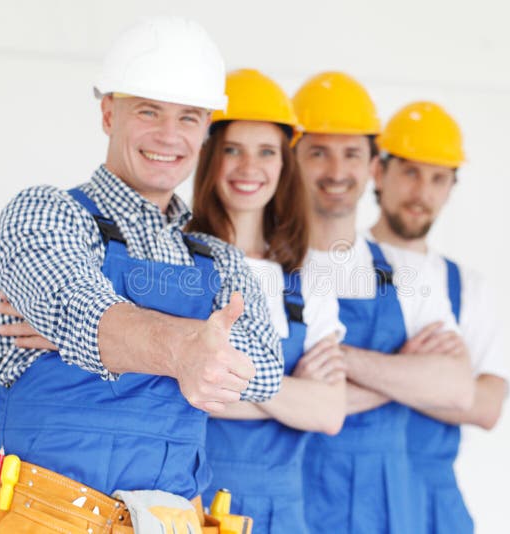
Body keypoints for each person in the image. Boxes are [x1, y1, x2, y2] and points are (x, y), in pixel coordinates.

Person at [0, 17, 283, 533]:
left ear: (206, 128)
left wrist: (102, 338)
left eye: (189, 117)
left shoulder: (218, 258)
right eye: (148, 111)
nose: (169, 135)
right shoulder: (45, 214)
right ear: (107, 113)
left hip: (173, 522)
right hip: (53, 519)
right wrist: (189, 346)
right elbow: (77, 307)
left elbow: (264, 370)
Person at [292, 72, 475, 533]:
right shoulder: (268, 267)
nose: (336, 171)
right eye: (318, 152)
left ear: (373, 166)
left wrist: (336, 361)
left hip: (392, 510)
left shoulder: (406, 272)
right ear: (291, 160)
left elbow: (456, 388)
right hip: (297, 499)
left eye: (351, 153)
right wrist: (401, 372)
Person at [186, 68, 347, 533]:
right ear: (209, 157)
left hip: (283, 513)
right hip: (191, 505)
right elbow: (167, 388)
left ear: (284, 163)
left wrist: (220, 383)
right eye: (232, 150)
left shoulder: (307, 280)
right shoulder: (175, 261)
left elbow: (329, 412)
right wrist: (291, 391)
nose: (248, 167)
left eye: (266, 152)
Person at [370, 101, 510, 533]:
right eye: (410, 172)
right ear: (379, 172)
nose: (422, 192)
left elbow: (487, 407)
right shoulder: (337, 264)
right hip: (352, 490)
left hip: (435, 500)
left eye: (438, 178)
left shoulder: (467, 286)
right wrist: (433, 379)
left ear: (451, 187)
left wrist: (380, 373)